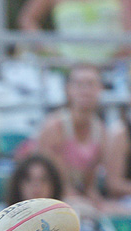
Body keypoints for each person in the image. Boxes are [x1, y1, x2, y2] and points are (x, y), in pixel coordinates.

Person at [31, 63, 110, 213]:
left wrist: (98, 205)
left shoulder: (101, 131)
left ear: (100, 89)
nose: (85, 90)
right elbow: (51, 182)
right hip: (53, 201)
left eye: (91, 84)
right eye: (79, 84)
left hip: (79, 200)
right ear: (68, 89)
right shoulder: (53, 127)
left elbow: (89, 186)